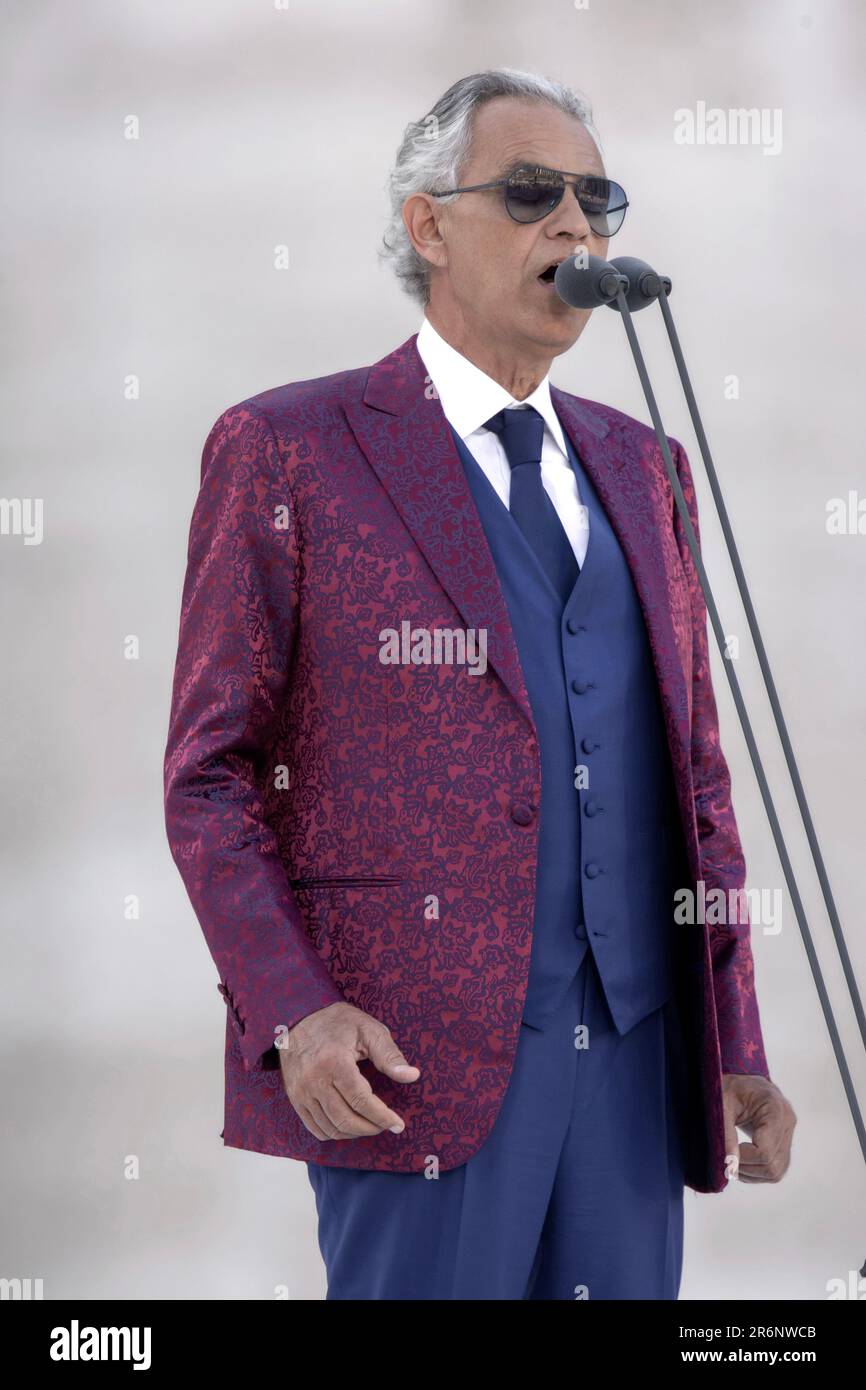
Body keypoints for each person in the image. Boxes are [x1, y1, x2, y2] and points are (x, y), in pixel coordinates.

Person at [164, 67, 795, 1300]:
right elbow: (208, 775)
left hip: (632, 1053)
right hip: (409, 1058)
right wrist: (295, 1010)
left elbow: (695, 779)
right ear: (427, 224)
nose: (573, 227)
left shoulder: (645, 462)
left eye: (594, 199)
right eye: (529, 193)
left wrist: (732, 1038)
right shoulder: (290, 447)